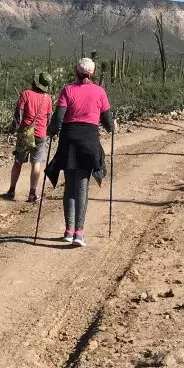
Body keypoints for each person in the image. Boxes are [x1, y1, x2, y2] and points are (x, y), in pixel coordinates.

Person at [44, 57, 114, 247]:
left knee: (69, 185)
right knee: (82, 186)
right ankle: (79, 233)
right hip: (89, 140)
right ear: (92, 73)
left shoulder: (68, 90)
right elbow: (108, 122)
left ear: (76, 72)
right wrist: (111, 128)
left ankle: (68, 230)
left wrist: (51, 131)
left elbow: (58, 119)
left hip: (69, 140)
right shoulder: (100, 91)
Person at [5, 70, 54, 202]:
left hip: (25, 133)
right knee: (36, 163)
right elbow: (49, 119)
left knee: (18, 162)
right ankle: (32, 193)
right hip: (40, 134)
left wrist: (11, 130)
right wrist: (46, 130)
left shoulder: (26, 94)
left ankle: (11, 190)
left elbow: (18, 116)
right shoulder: (48, 98)